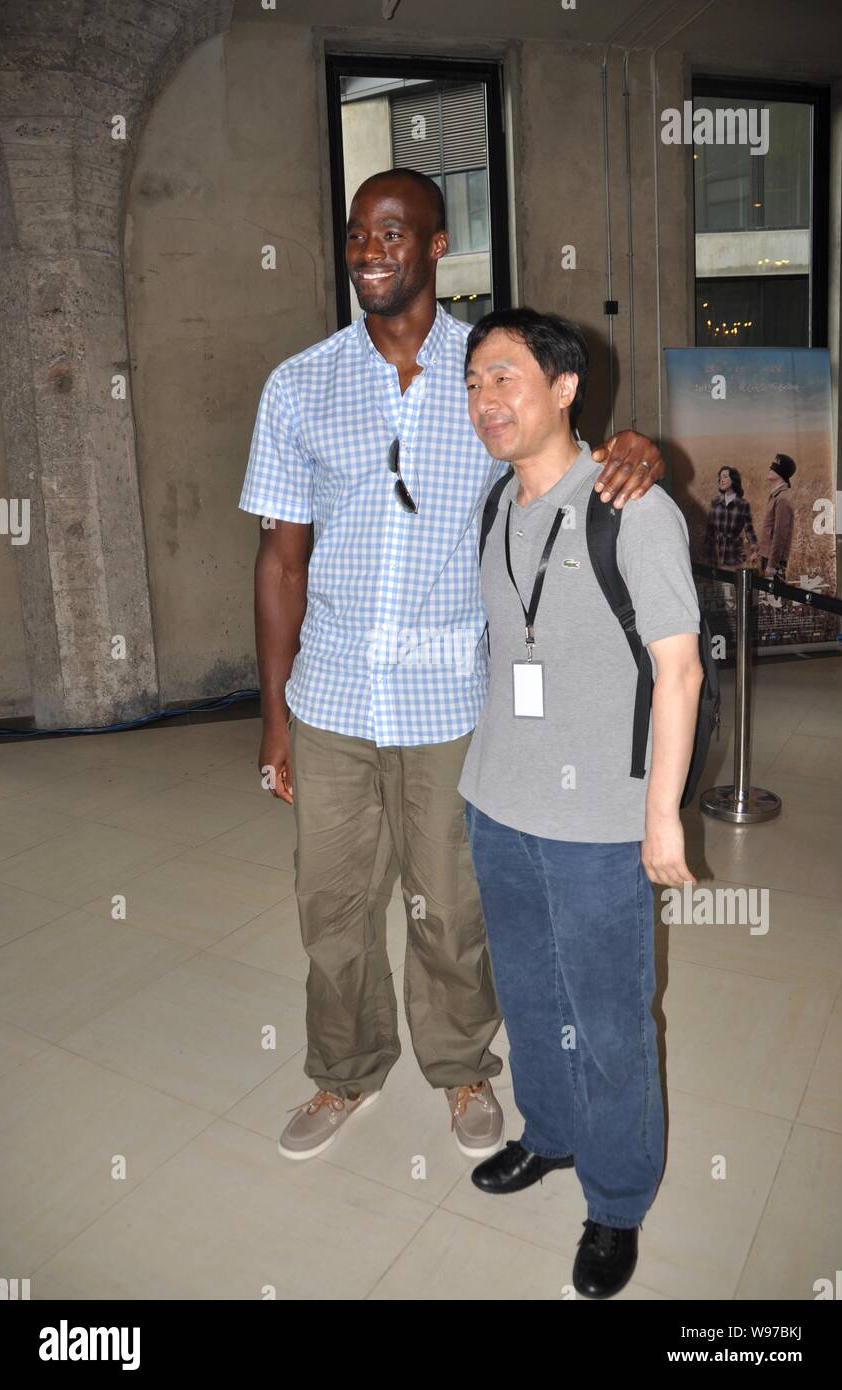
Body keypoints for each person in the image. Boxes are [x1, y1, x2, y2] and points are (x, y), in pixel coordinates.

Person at [238, 167, 667, 1164]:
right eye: (356, 234)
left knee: (450, 903)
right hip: (333, 696)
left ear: (438, 244)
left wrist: (630, 447)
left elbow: (561, 460)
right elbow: (279, 559)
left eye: (393, 231)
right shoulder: (300, 384)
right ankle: (342, 1070)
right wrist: (272, 716)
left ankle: (461, 1065)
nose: (370, 249)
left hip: (451, 700)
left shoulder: (485, 373)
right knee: (332, 905)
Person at [458, 307, 703, 1299]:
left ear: (563, 389)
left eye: (505, 378)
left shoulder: (630, 506)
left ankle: (615, 1201)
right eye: (473, 382)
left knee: (608, 1018)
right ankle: (549, 1135)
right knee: (526, 994)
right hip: (499, 803)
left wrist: (658, 814)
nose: (485, 400)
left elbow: (677, 672)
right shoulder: (492, 501)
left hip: (601, 820)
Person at [704, 466, 758, 568]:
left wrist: (754, 546)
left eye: (725, 477)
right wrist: (706, 552)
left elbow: (749, 529)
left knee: (733, 583)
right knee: (717, 583)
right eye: (720, 478)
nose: (721, 480)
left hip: (735, 555)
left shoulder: (743, 504)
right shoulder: (715, 502)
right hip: (716, 556)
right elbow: (710, 530)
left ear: (733, 480)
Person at [759, 453, 796, 580]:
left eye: (774, 467)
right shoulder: (777, 496)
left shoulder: (782, 499)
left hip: (773, 561)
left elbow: (780, 535)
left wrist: (772, 564)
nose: (769, 468)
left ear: (781, 473)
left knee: (775, 598)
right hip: (768, 557)